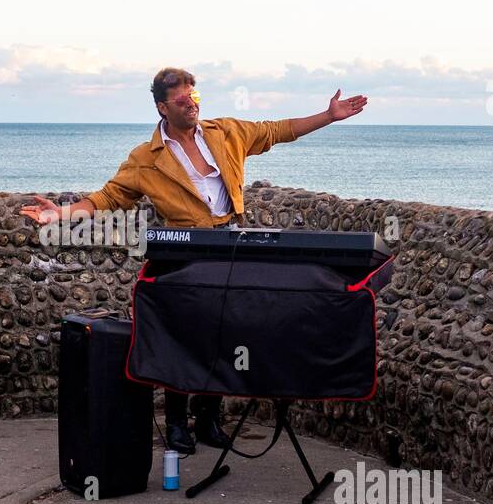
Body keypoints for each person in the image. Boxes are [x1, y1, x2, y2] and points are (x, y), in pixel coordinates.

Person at [21, 67, 367, 453]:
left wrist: (328, 116)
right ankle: (176, 425)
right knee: (181, 337)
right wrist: (60, 214)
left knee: (224, 334)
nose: (191, 104)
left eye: (194, 97)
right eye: (182, 100)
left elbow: (277, 130)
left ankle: (207, 420)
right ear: (162, 107)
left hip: (229, 245)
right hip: (183, 251)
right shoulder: (145, 158)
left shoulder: (227, 133)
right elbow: (107, 198)